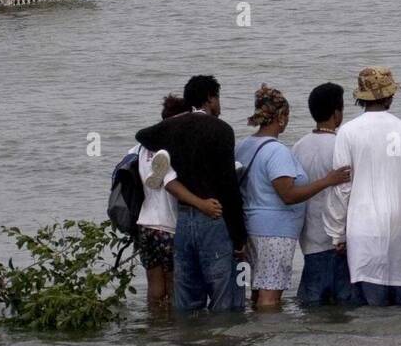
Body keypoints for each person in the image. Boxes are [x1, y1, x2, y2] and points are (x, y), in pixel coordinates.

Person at [135, 75, 246, 312]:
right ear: (210, 98)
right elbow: (229, 188)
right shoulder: (222, 130)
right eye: (217, 97)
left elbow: (142, 135)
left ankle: (188, 343)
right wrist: (239, 237)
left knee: (186, 297)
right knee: (222, 296)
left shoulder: (173, 127)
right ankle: (219, 343)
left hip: (184, 219)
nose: (219, 104)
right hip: (214, 217)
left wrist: (178, 125)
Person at [236, 85, 350, 310]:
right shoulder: (277, 151)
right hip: (274, 233)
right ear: (280, 117)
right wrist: (327, 180)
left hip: (251, 227)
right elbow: (287, 194)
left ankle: (255, 334)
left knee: (258, 291)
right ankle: (270, 337)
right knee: (270, 296)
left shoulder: (245, 145)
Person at [330, 66, 401, 306]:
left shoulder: (347, 132)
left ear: (360, 97)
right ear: (390, 95)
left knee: (368, 310)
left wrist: (338, 232)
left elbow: (342, 187)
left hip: (364, 227)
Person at [291, 82, 353, 306]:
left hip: (309, 238)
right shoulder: (341, 146)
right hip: (337, 240)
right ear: (337, 113)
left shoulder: (298, 146)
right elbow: (348, 193)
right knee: (344, 307)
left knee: (312, 307)